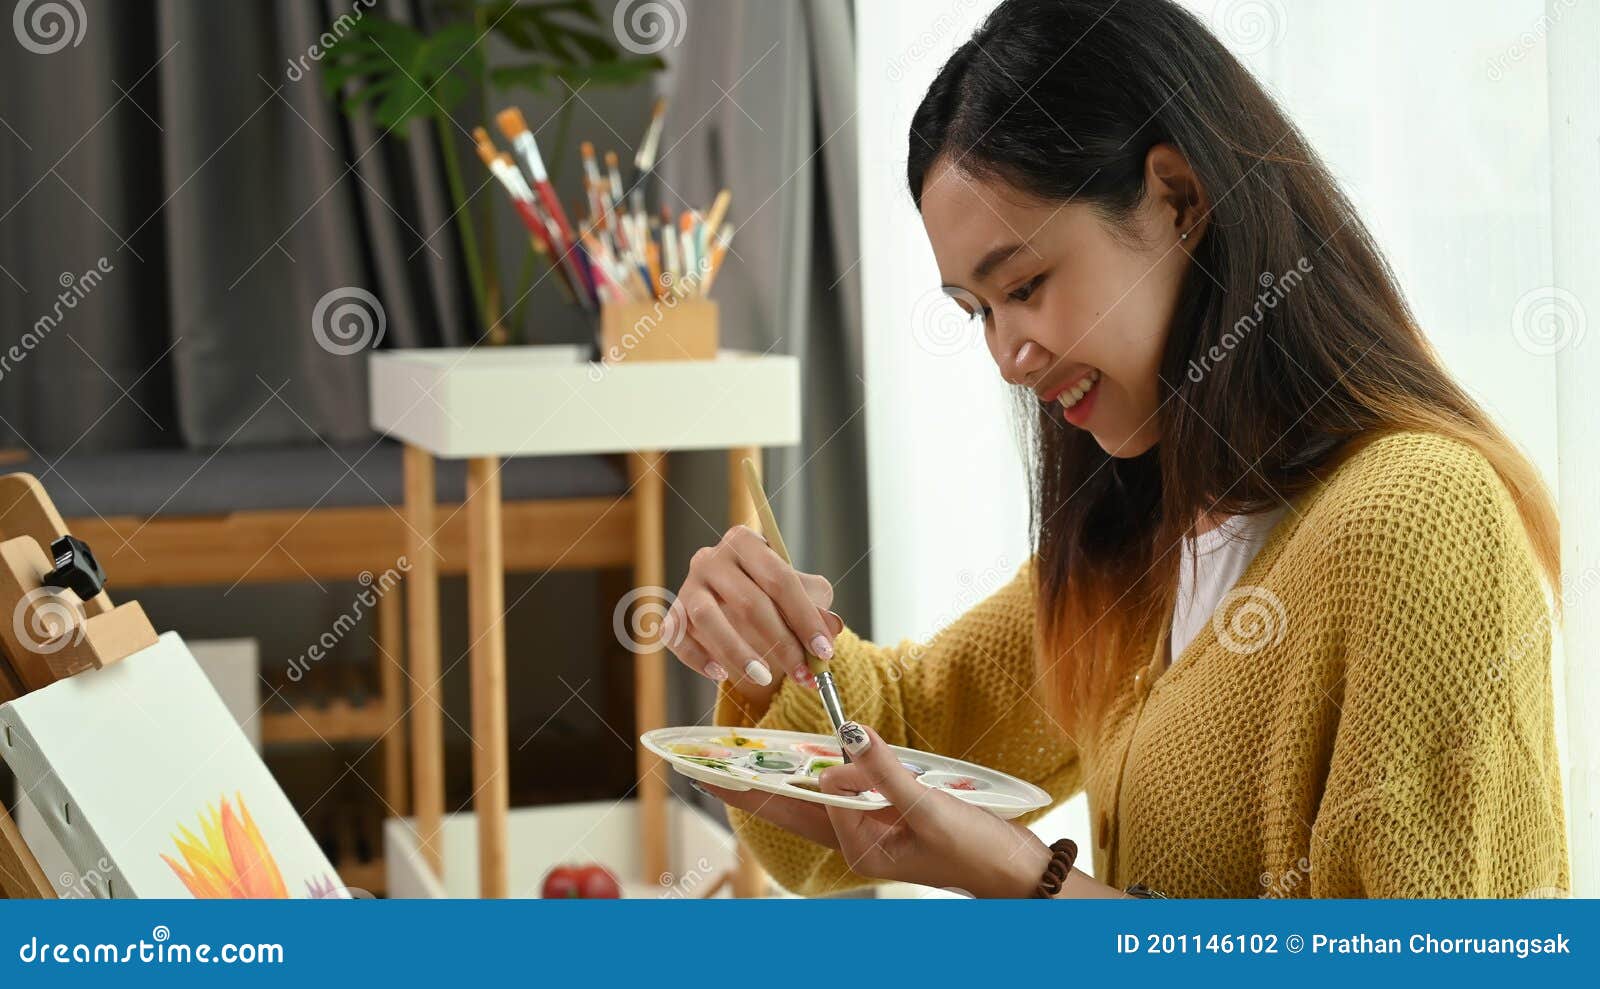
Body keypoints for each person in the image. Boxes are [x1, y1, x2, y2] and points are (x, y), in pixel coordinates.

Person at [659, 0, 1569, 898]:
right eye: (978, 312)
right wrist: (777, 645)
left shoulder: (1419, 521)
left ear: (1177, 199)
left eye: (1026, 284)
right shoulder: (1154, 530)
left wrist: (1032, 882)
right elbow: (912, 732)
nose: (1008, 357)